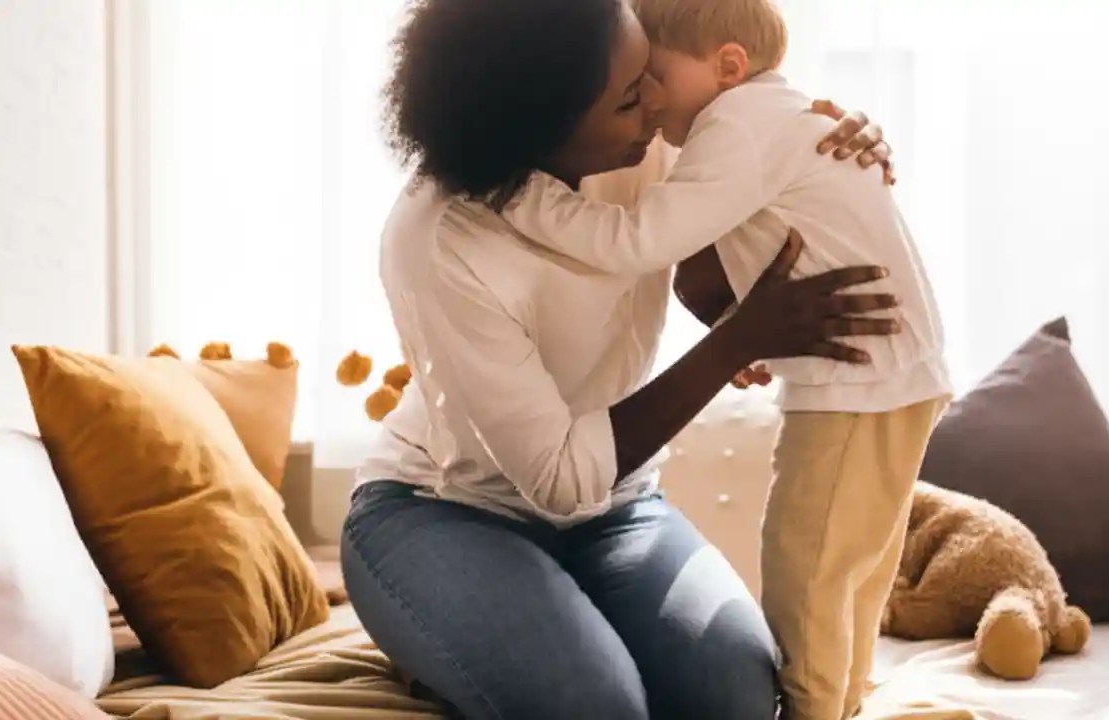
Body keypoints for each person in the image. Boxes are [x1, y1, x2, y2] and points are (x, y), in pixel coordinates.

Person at [341, 1, 900, 718]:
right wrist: (734, 342)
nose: (657, 103)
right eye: (632, 96)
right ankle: (457, 636)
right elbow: (560, 480)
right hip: (442, 511)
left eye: (651, 75)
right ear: (538, 127)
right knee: (594, 705)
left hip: (618, 509)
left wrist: (830, 137)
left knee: (735, 695)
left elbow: (732, 194)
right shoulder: (441, 238)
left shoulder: (643, 140)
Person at [496, 1, 952, 717]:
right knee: (854, 572)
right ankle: (846, 698)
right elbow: (703, 264)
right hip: (899, 378)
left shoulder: (736, 124)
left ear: (728, 67)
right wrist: (730, 321)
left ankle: (812, 708)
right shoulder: (780, 114)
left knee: (807, 571)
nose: (645, 96)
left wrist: (526, 202)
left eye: (654, 77)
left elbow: (641, 241)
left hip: (853, 387)